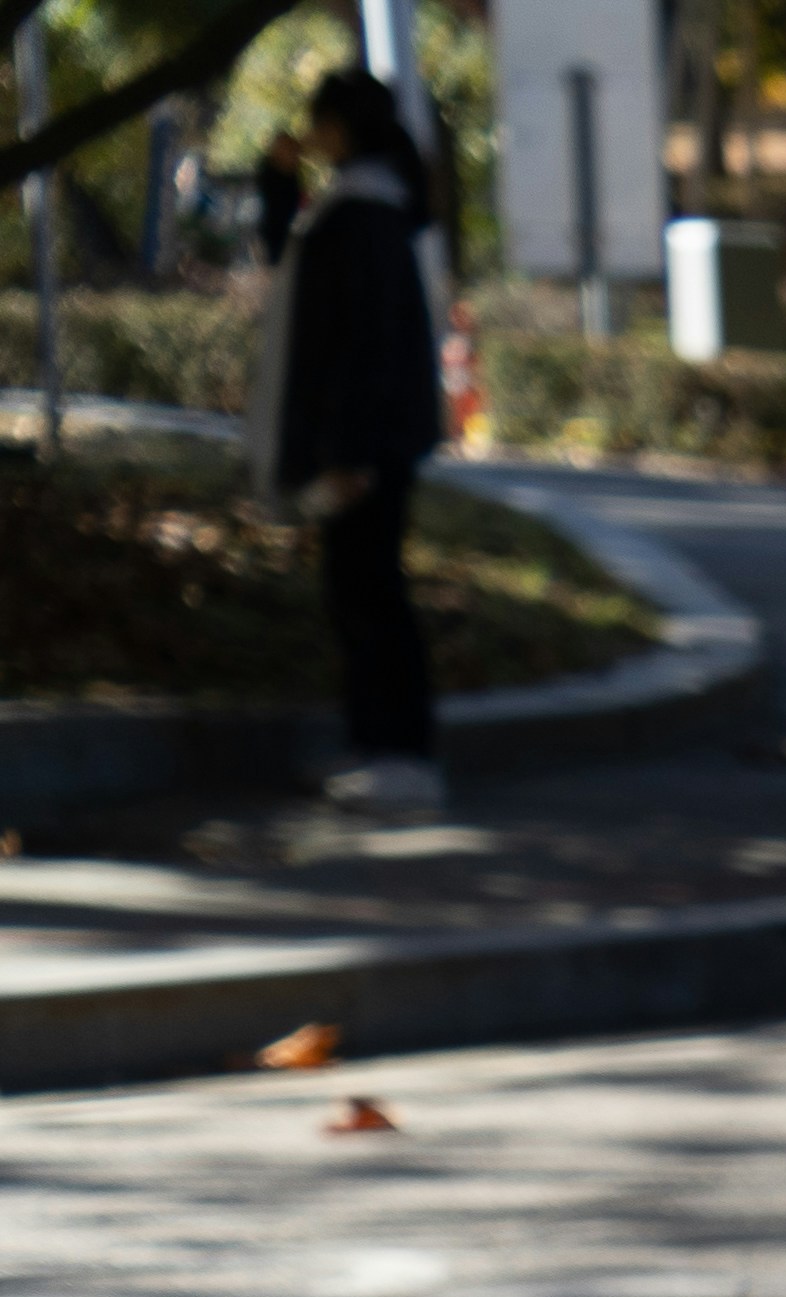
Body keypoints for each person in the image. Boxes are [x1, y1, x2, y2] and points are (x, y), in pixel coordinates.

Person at [250, 70, 450, 818]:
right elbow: (288, 259)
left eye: (320, 122)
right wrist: (278, 182)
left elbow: (364, 345)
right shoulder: (358, 205)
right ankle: (375, 745)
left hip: (369, 445)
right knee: (355, 589)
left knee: (372, 592)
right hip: (370, 439)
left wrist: (349, 455)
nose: (312, 133)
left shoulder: (365, 214)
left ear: (340, 126)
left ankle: (403, 754)